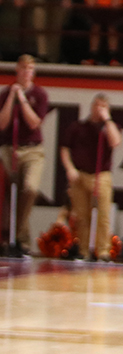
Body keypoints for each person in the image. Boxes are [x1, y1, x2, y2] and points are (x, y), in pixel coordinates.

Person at [60, 93, 123, 261]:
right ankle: (83, 250)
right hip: (80, 175)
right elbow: (65, 148)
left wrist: (107, 120)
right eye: (96, 105)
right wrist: (70, 169)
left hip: (101, 175)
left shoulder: (110, 127)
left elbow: (116, 142)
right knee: (81, 216)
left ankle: (102, 251)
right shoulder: (77, 127)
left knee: (103, 215)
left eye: (103, 106)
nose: (98, 109)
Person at [0, 55, 49, 256]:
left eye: (31, 68)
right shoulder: (5, 93)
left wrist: (23, 99)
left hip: (32, 150)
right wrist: (12, 96)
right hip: (9, 148)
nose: (27, 72)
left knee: (29, 189)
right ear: (17, 71)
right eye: (24, 68)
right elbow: (2, 123)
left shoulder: (40, 94)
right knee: (10, 194)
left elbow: (34, 122)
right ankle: (20, 241)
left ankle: (16, 232)